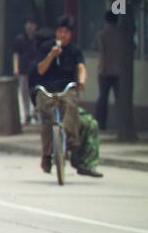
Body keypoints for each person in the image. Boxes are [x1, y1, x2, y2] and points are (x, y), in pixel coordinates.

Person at [36, 14, 101, 177]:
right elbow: (40, 70)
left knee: (83, 117)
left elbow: (81, 68)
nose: (62, 35)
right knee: (46, 119)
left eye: (66, 32)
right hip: (47, 91)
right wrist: (51, 55)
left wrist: (82, 81)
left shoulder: (74, 50)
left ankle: (73, 146)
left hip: (67, 90)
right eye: (59, 31)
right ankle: (46, 155)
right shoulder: (46, 47)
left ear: (71, 34)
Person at [96, 12, 123, 131]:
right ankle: (122, 124)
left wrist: (102, 68)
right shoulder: (121, 34)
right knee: (120, 99)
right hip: (119, 71)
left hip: (105, 71)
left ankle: (101, 124)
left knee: (103, 98)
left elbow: (103, 54)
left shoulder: (102, 34)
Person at [12, 19, 39, 125]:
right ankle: (27, 114)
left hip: (36, 71)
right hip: (23, 69)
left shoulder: (38, 40)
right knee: (24, 93)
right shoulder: (20, 39)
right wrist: (16, 68)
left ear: (35, 26)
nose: (29, 27)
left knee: (36, 92)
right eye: (27, 24)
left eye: (31, 24)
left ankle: (35, 112)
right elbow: (16, 54)